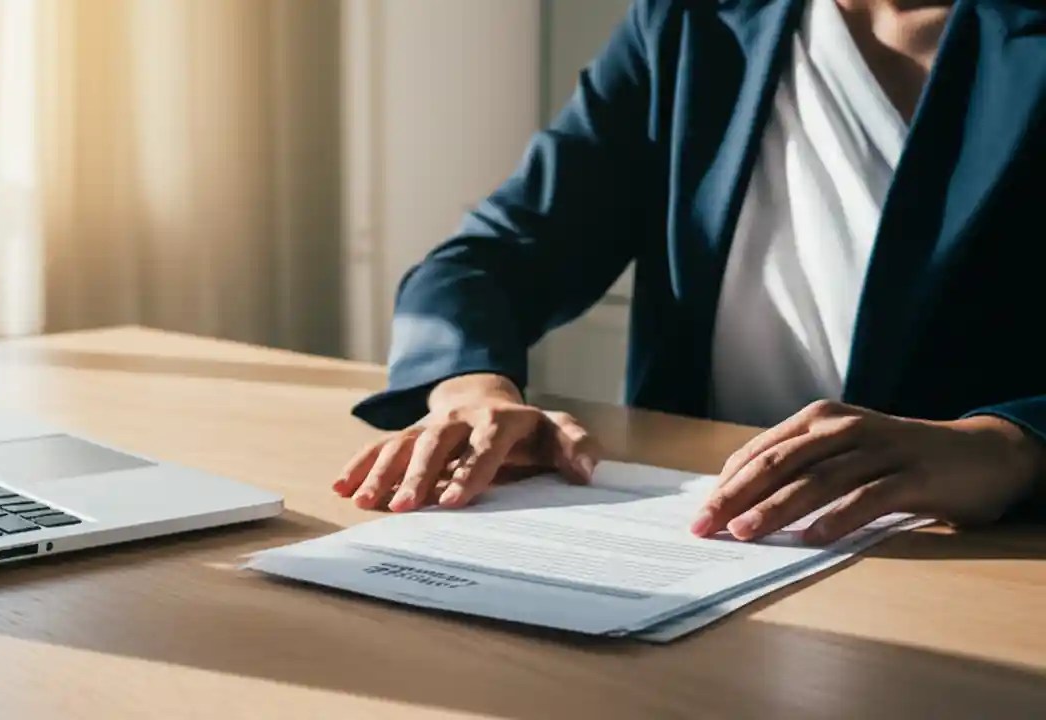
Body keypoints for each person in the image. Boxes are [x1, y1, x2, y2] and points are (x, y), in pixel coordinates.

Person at [331, 0, 1046, 544]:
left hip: (971, 555)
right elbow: (495, 255)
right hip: (710, 538)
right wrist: (470, 385)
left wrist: (1011, 447)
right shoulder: (694, 22)